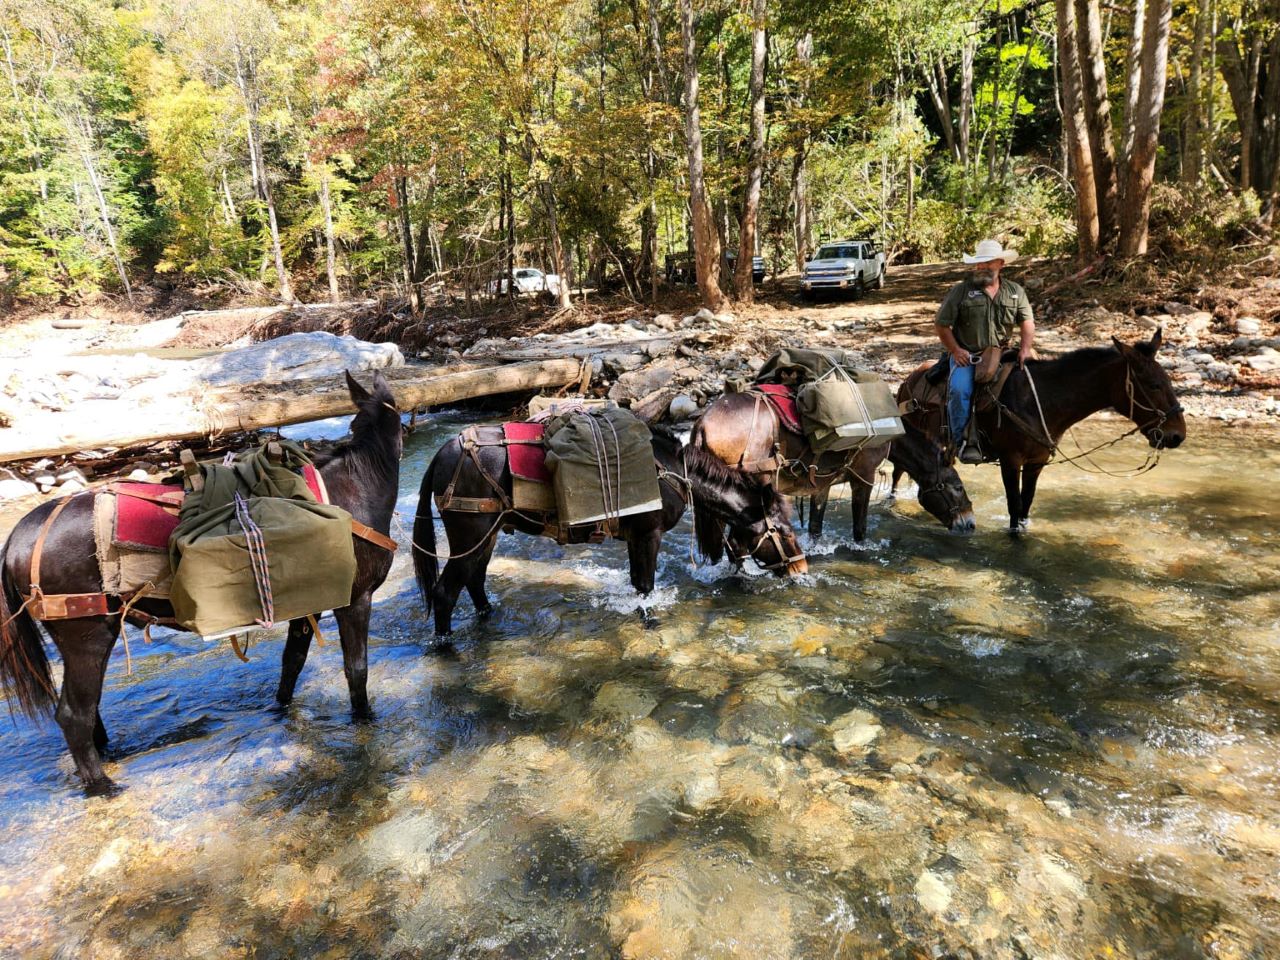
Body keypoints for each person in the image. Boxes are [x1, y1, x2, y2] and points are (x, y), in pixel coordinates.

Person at [934, 239, 1035, 463]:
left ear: (1000, 264)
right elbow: (942, 325)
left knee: (1034, 384)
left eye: (987, 263)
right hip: (968, 355)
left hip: (1003, 351)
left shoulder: (1014, 291)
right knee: (960, 391)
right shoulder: (961, 291)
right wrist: (956, 350)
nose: (982, 267)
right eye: (979, 263)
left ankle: (1030, 435)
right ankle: (958, 441)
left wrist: (1026, 349)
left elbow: (1027, 322)